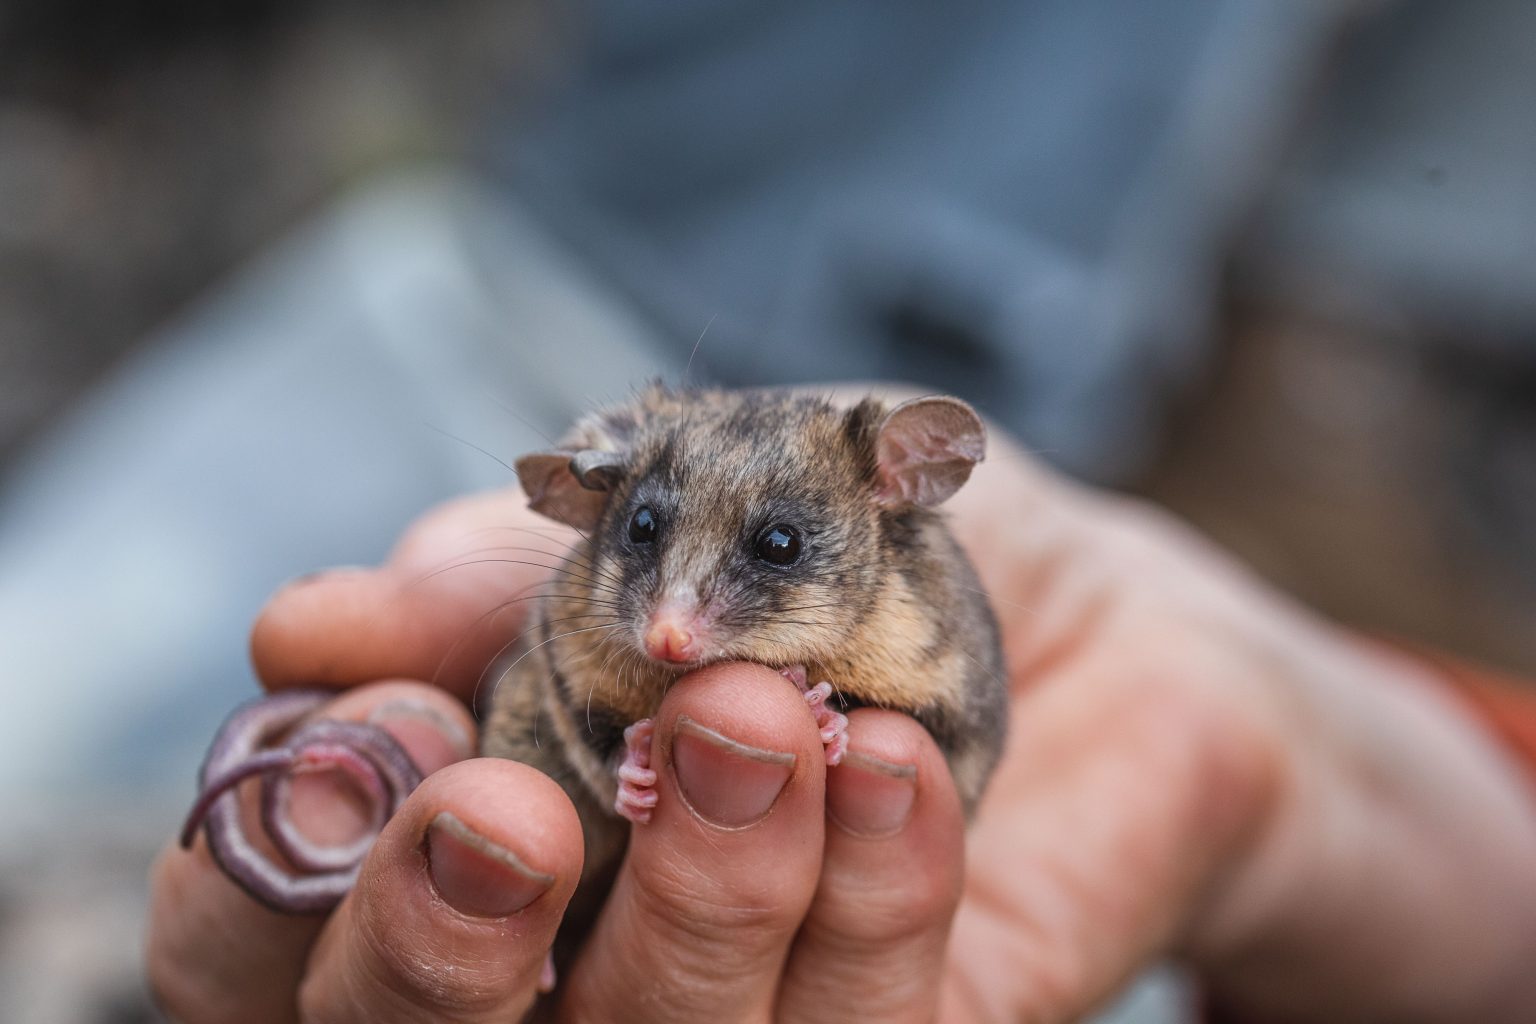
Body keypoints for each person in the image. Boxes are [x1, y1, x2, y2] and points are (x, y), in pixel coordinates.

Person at [146, 418, 1536, 1023]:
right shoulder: (606, 609)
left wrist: (1281, 772)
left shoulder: (921, 615)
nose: (677, 628)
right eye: (641, 542)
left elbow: (945, 718)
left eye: (774, 555)